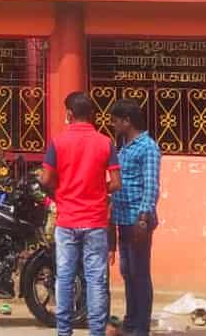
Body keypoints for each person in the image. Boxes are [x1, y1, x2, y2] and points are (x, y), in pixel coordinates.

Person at [40, 92, 121, 336]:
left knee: (64, 276)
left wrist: (60, 192)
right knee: (96, 279)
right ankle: (96, 331)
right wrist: (97, 191)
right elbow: (116, 183)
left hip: (67, 219)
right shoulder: (106, 143)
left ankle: (64, 331)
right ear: (92, 115)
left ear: (69, 114)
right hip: (95, 220)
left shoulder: (58, 142)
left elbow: (45, 179)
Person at [109, 99, 162, 336]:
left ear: (127, 121)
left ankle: (141, 327)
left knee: (140, 273)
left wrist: (143, 218)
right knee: (127, 272)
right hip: (123, 216)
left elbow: (151, 185)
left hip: (137, 219)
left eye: (115, 121)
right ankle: (131, 321)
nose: (113, 125)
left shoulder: (147, 147)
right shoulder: (125, 146)